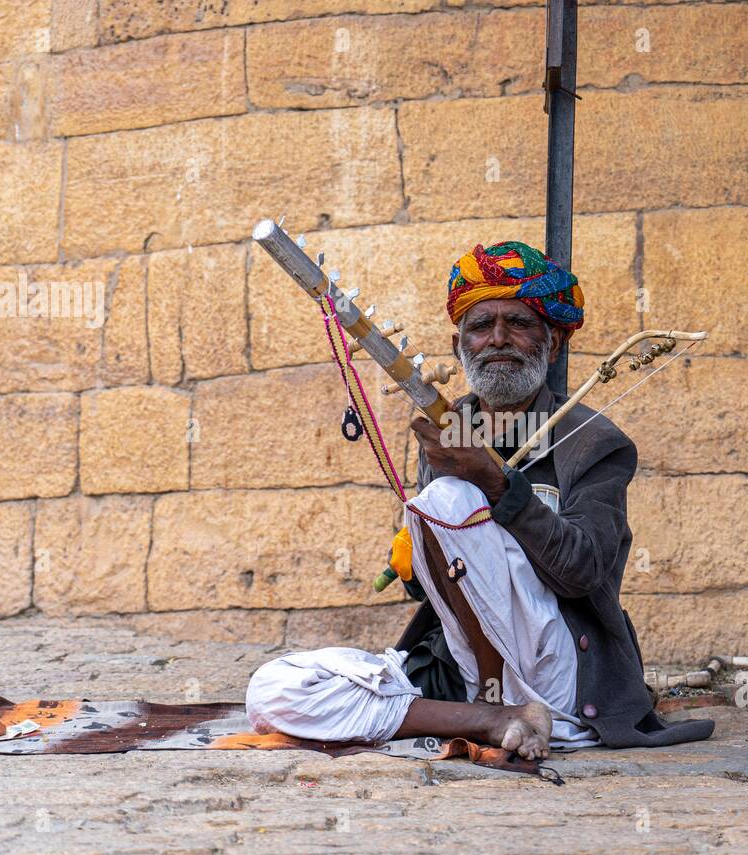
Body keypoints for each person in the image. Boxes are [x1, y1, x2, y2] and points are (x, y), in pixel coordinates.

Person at [246, 241, 715, 759]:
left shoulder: (595, 443)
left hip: (557, 668)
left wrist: (492, 484)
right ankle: (494, 718)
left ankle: (504, 711)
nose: (497, 339)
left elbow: (583, 572)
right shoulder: (450, 425)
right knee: (274, 689)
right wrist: (414, 563)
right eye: (480, 325)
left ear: (553, 342)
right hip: (463, 665)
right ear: (459, 343)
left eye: (519, 323)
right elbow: (451, 590)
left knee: (447, 497)